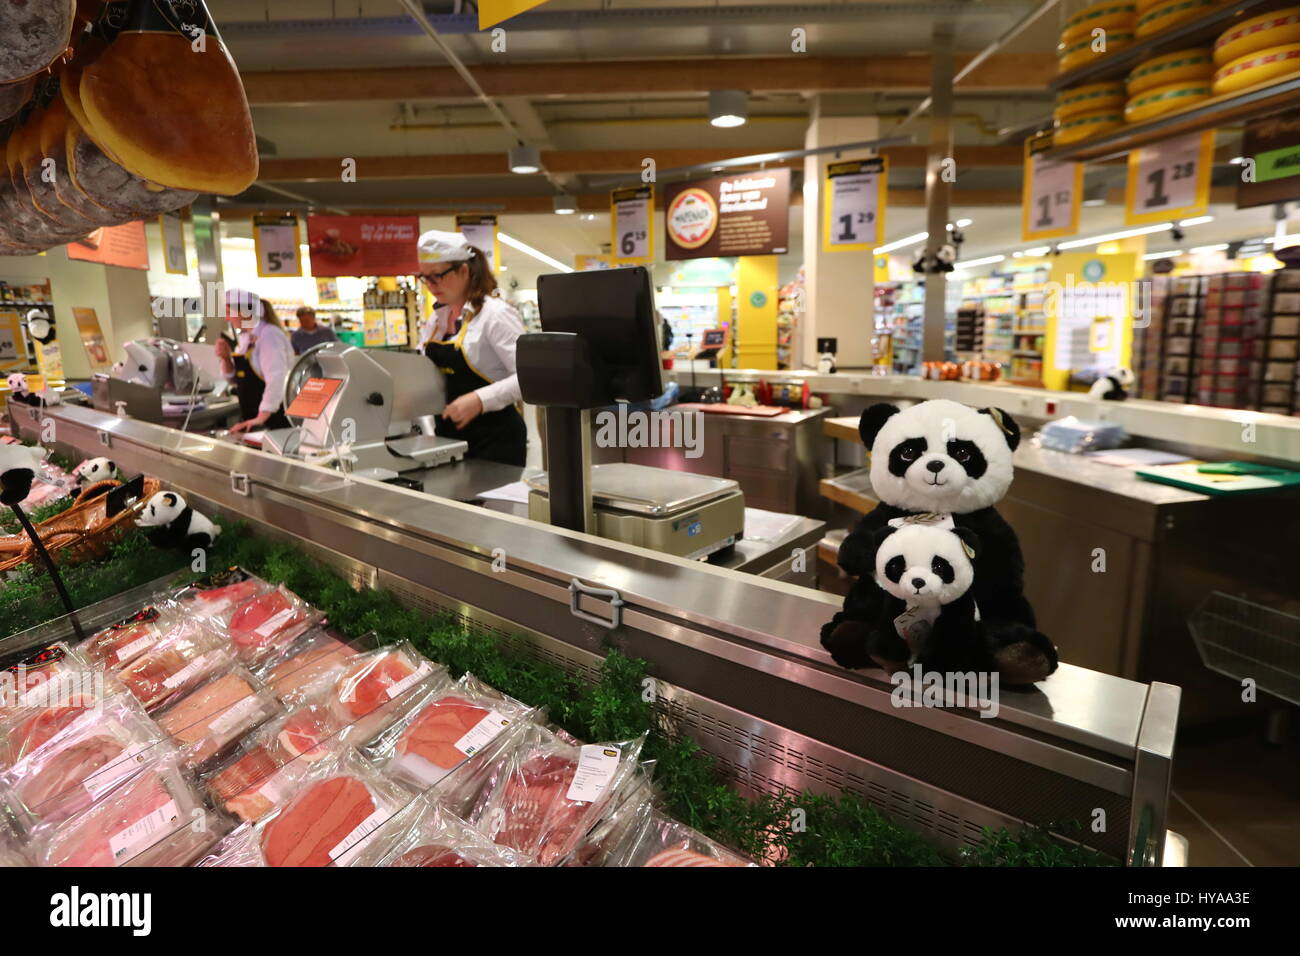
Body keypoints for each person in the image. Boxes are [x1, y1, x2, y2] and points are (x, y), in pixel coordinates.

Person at [415, 229, 526, 466]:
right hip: (448, 439)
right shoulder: (436, 320)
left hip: (495, 440)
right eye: (424, 277)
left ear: (463, 270)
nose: (430, 285)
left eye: (437, 276)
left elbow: (531, 377)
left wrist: (480, 399)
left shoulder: (495, 315)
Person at [215, 288, 294, 434]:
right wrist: (226, 359)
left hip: (273, 421)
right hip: (254, 419)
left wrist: (261, 418)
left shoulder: (269, 335)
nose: (227, 318)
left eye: (228, 312)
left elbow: (277, 379)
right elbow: (235, 380)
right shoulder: (246, 337)